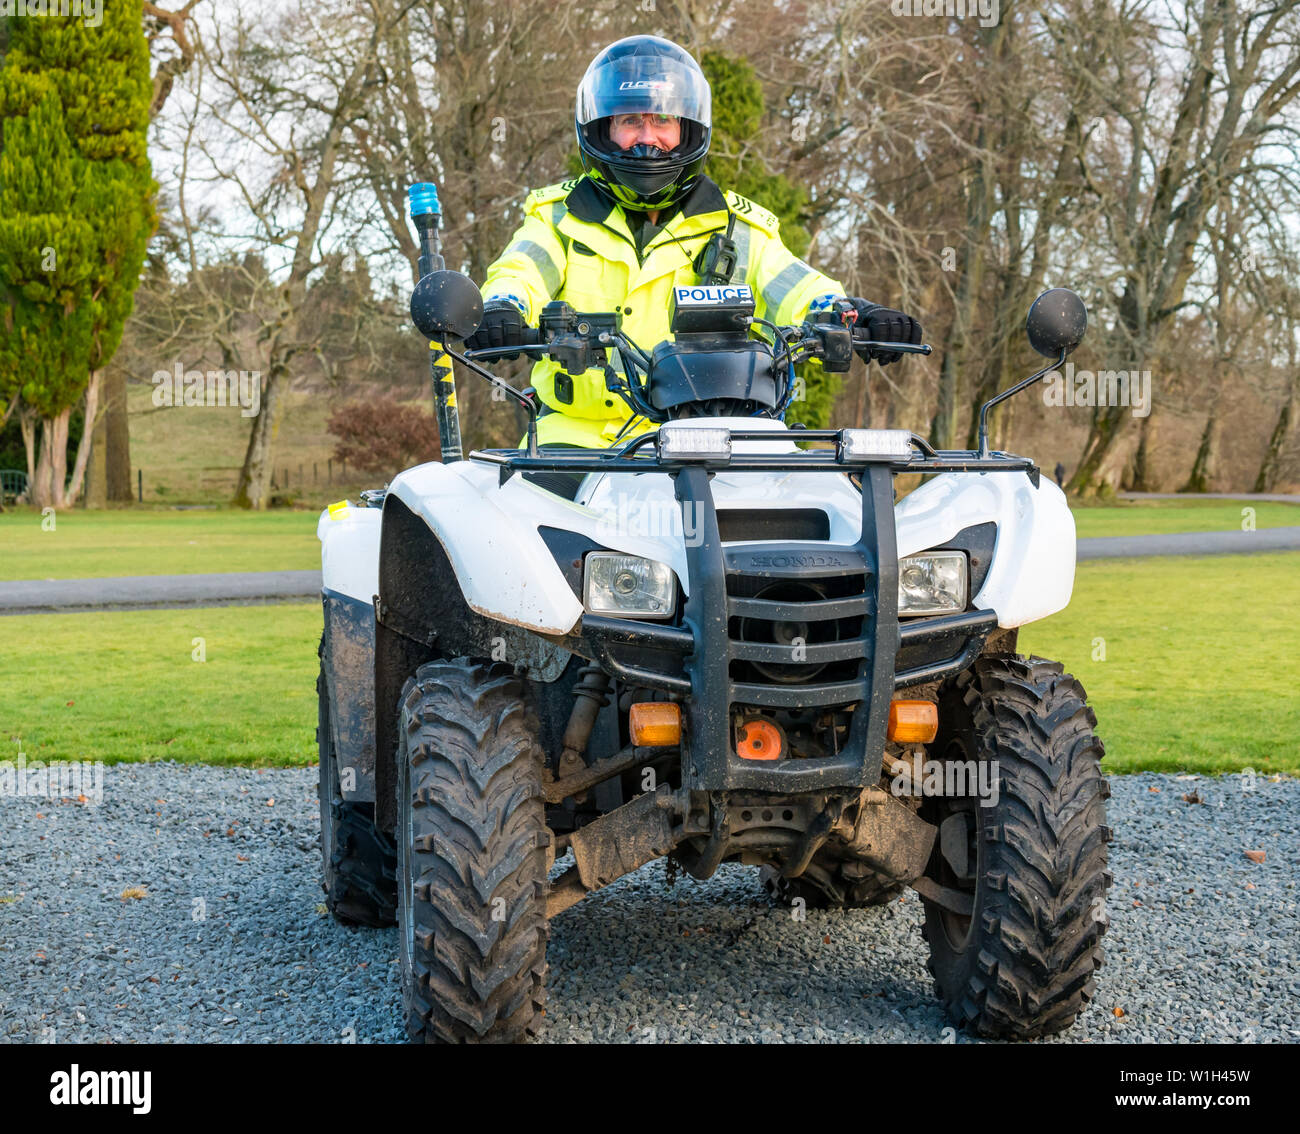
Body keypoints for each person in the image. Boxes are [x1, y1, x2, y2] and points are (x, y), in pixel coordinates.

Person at [465, 34, 922, 452]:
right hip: (578, 442)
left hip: (717, 441)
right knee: (542, 533)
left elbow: (795, 285)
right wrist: (499, 311)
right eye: (629, 121)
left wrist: (852, 313)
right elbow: (519, 273)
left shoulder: (738, 227)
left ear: (688, 129)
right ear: (601, 130)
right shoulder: (557, 217)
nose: (647, 140)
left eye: (662, 120)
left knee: (808, 515)